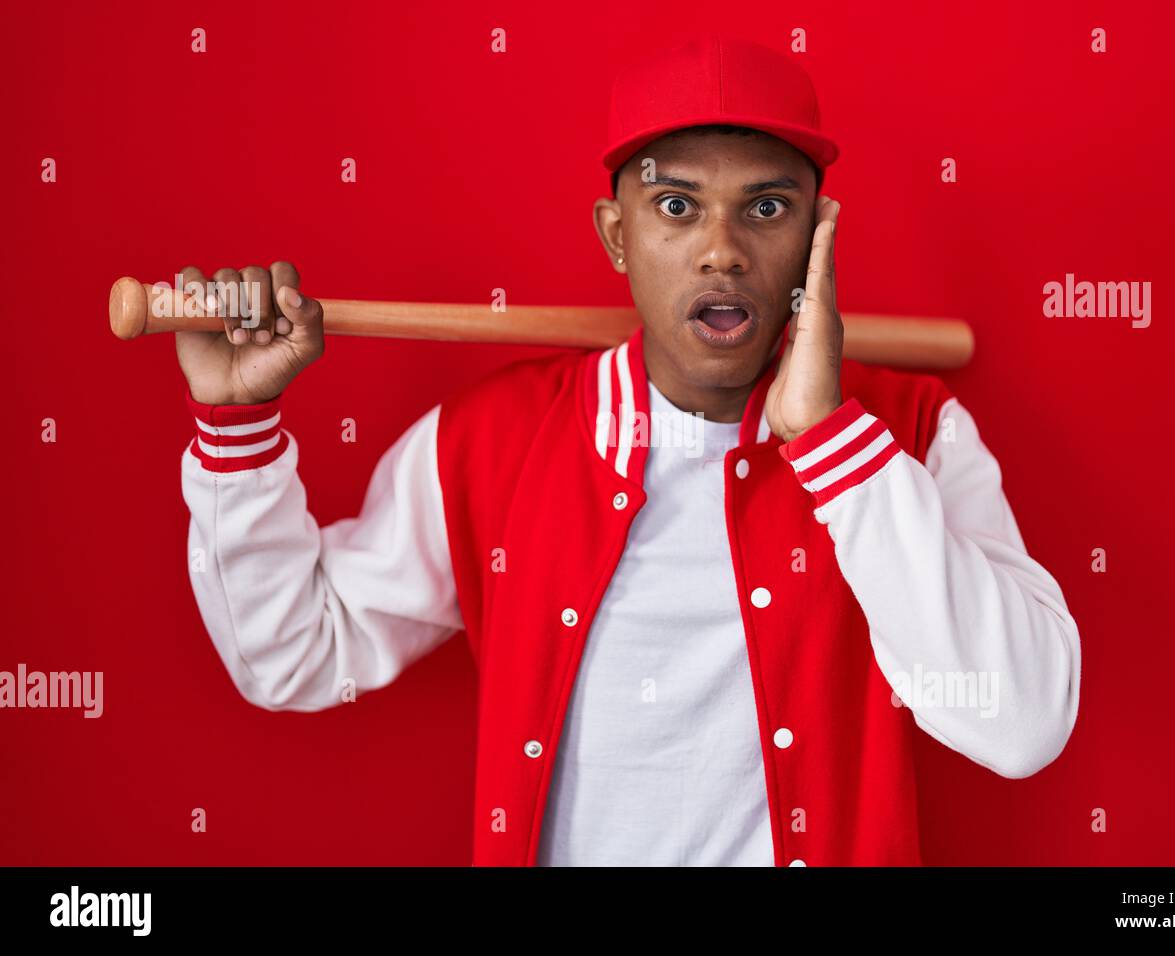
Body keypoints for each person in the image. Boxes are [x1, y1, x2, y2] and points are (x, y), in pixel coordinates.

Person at [175, 33, 1081, 866]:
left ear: (817, 235)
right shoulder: (490, 441)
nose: (722, 252)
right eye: (676, 205)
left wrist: (830, 443)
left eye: (767, 207)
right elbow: (295, 655)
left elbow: (1023, 723)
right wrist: (235, 425)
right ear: (618, 236)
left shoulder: (912, 438)